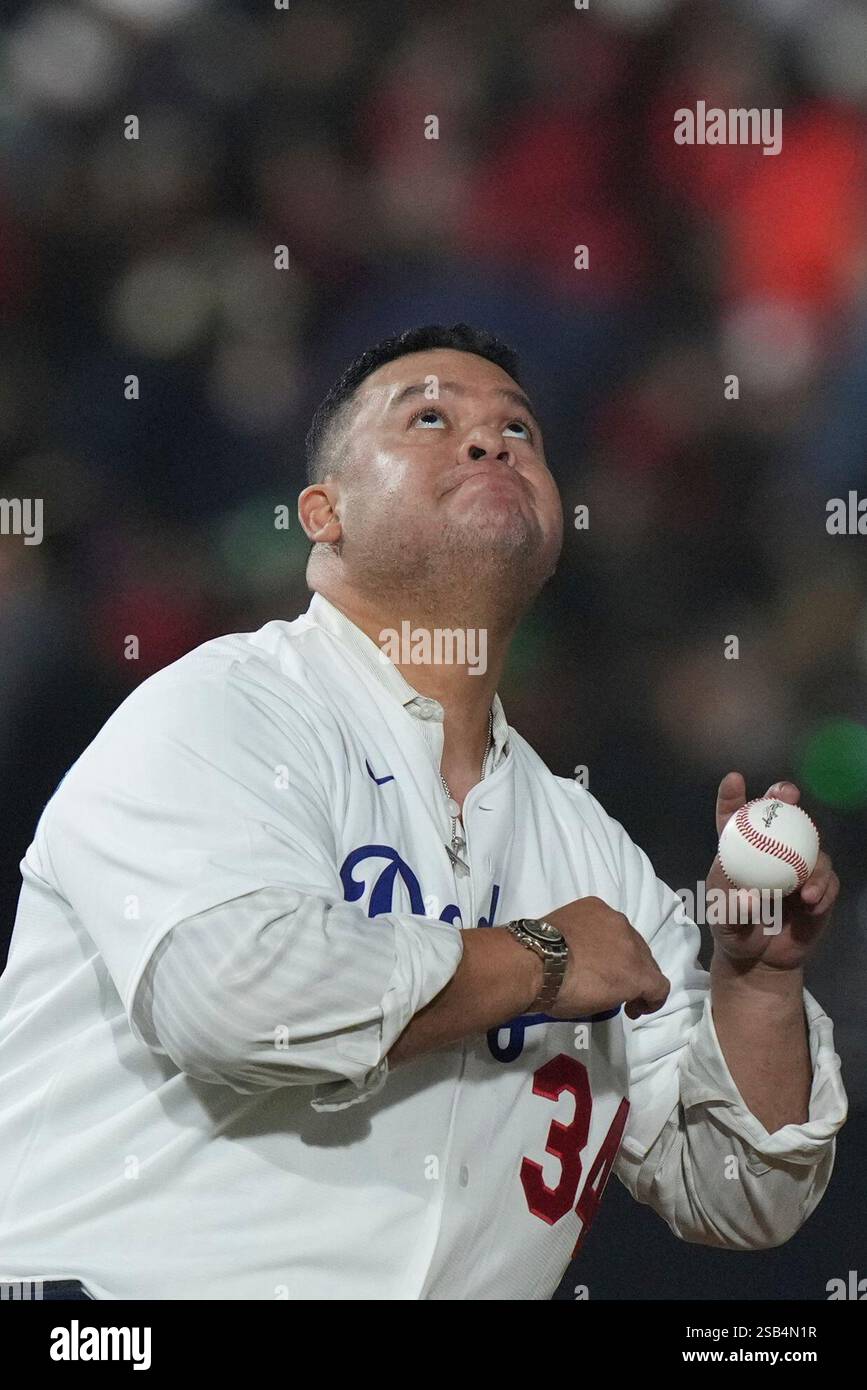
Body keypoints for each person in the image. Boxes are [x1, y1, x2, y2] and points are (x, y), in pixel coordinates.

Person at [0, 324, 847, 1301]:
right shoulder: (222, 710)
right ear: (327, 513)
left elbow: (736, 1194)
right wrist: (543, 959)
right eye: (432, 417)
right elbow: (231, 999)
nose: (492, 442)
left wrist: (759, 987)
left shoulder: (594, 857)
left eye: (520, 431)